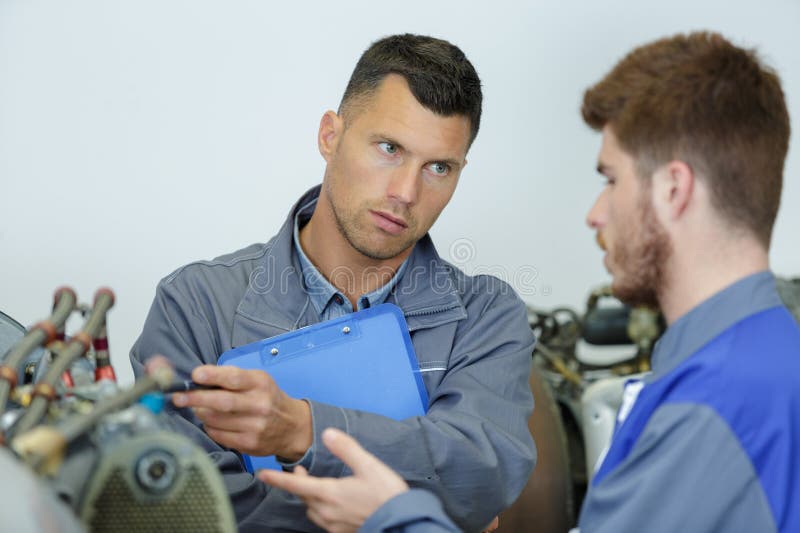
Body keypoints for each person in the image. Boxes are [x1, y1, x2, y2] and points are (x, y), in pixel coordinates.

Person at [261, 31, 800, 533]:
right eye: (389, 148)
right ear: (330, 136)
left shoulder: (713, 406)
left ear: (674, 190)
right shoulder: (769, 362)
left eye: (610, 180)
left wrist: (393, 517)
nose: (594, 213)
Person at [130, 33, 536, 532]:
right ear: (329, 135)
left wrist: (303, 431)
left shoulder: (488, 315)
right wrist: (421, 516)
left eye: (438, 167)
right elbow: (179, 504)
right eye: (389, 148)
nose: (405, 193)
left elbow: (481, 474)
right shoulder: (194, 304)